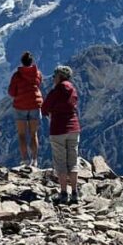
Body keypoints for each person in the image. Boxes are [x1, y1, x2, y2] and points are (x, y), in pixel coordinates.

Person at [41, 65, 81, 205]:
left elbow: (45, 108)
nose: (53, 78)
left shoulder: (56, 91)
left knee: (61, 163)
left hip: (58, 129)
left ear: (59, 76)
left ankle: (64, 193)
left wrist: (50, 112)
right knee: (73, 161)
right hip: (74, 128)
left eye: (54, 76)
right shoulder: (73, 90)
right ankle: (75, 193)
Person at [7, 51, 43, 167]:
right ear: (32, 61)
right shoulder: (37, 73)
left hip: (21, 106)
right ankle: (35, 160)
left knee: (22, 134)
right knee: (34, 133)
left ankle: (25, 160)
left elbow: (12, 92)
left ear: (22, 62)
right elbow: (38, 85)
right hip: (35, 105)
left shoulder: (17, 75)